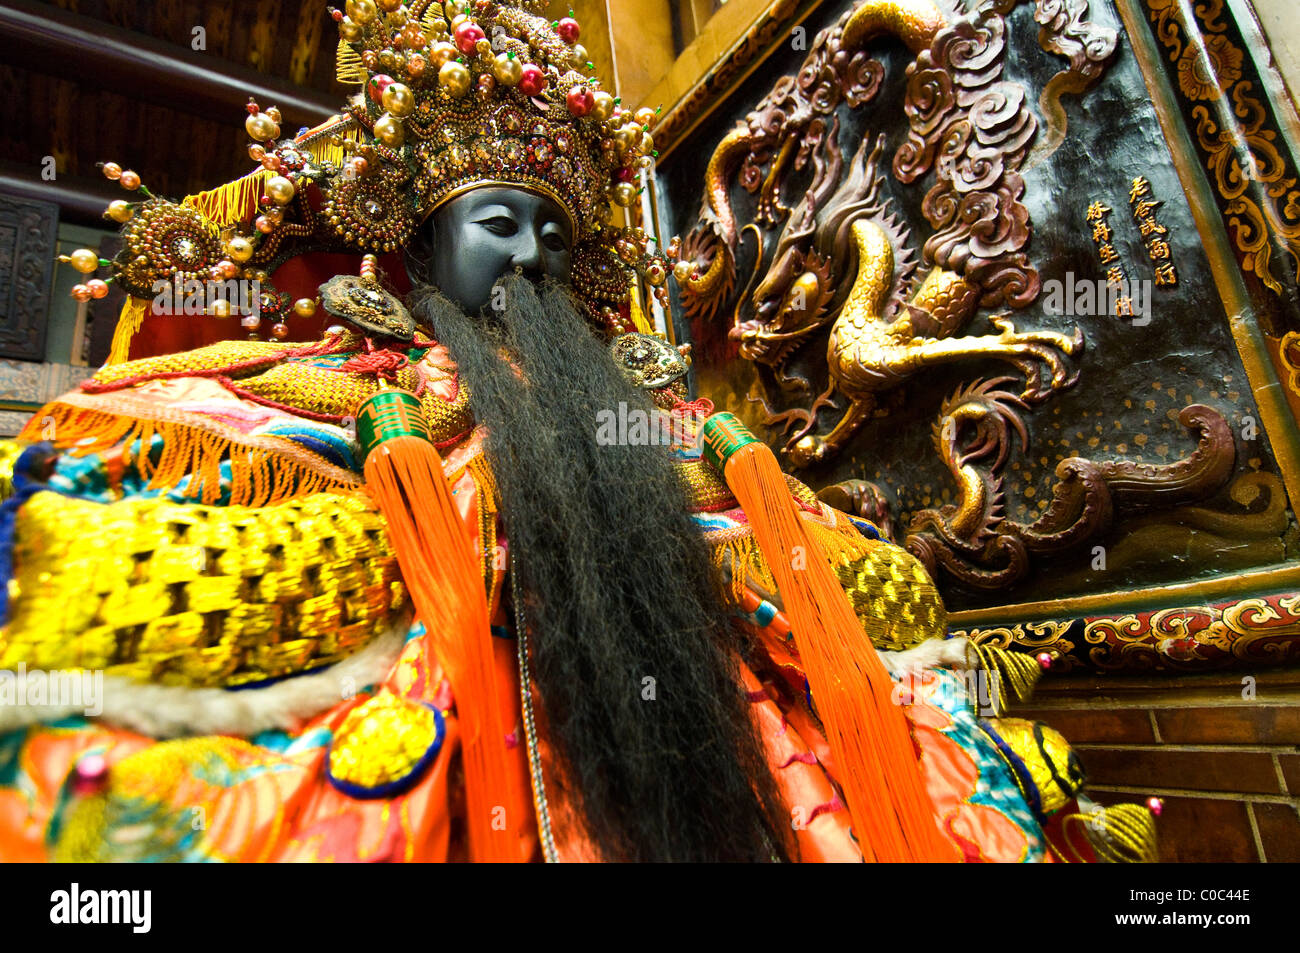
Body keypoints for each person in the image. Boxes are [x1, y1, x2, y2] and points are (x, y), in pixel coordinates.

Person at [0, 0, 1153, 863]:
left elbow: (830, 569)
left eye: (553, 232)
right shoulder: (329, 383)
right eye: (498, 221)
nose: (530, 255)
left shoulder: (659, 415)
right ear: (413, 248)